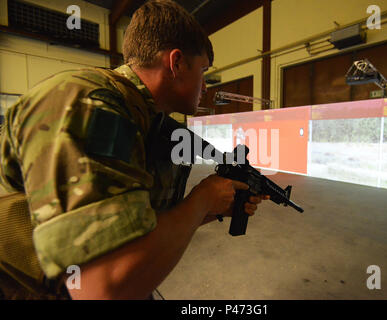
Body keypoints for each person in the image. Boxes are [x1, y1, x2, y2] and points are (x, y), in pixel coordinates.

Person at [0, 0, 268, 300]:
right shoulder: (91, 104)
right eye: (202, 71)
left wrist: (213, 208)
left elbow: (146, 224)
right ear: (176, 63)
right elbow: (103, 289)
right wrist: (204, 199)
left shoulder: (146, 118)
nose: (205, 86)